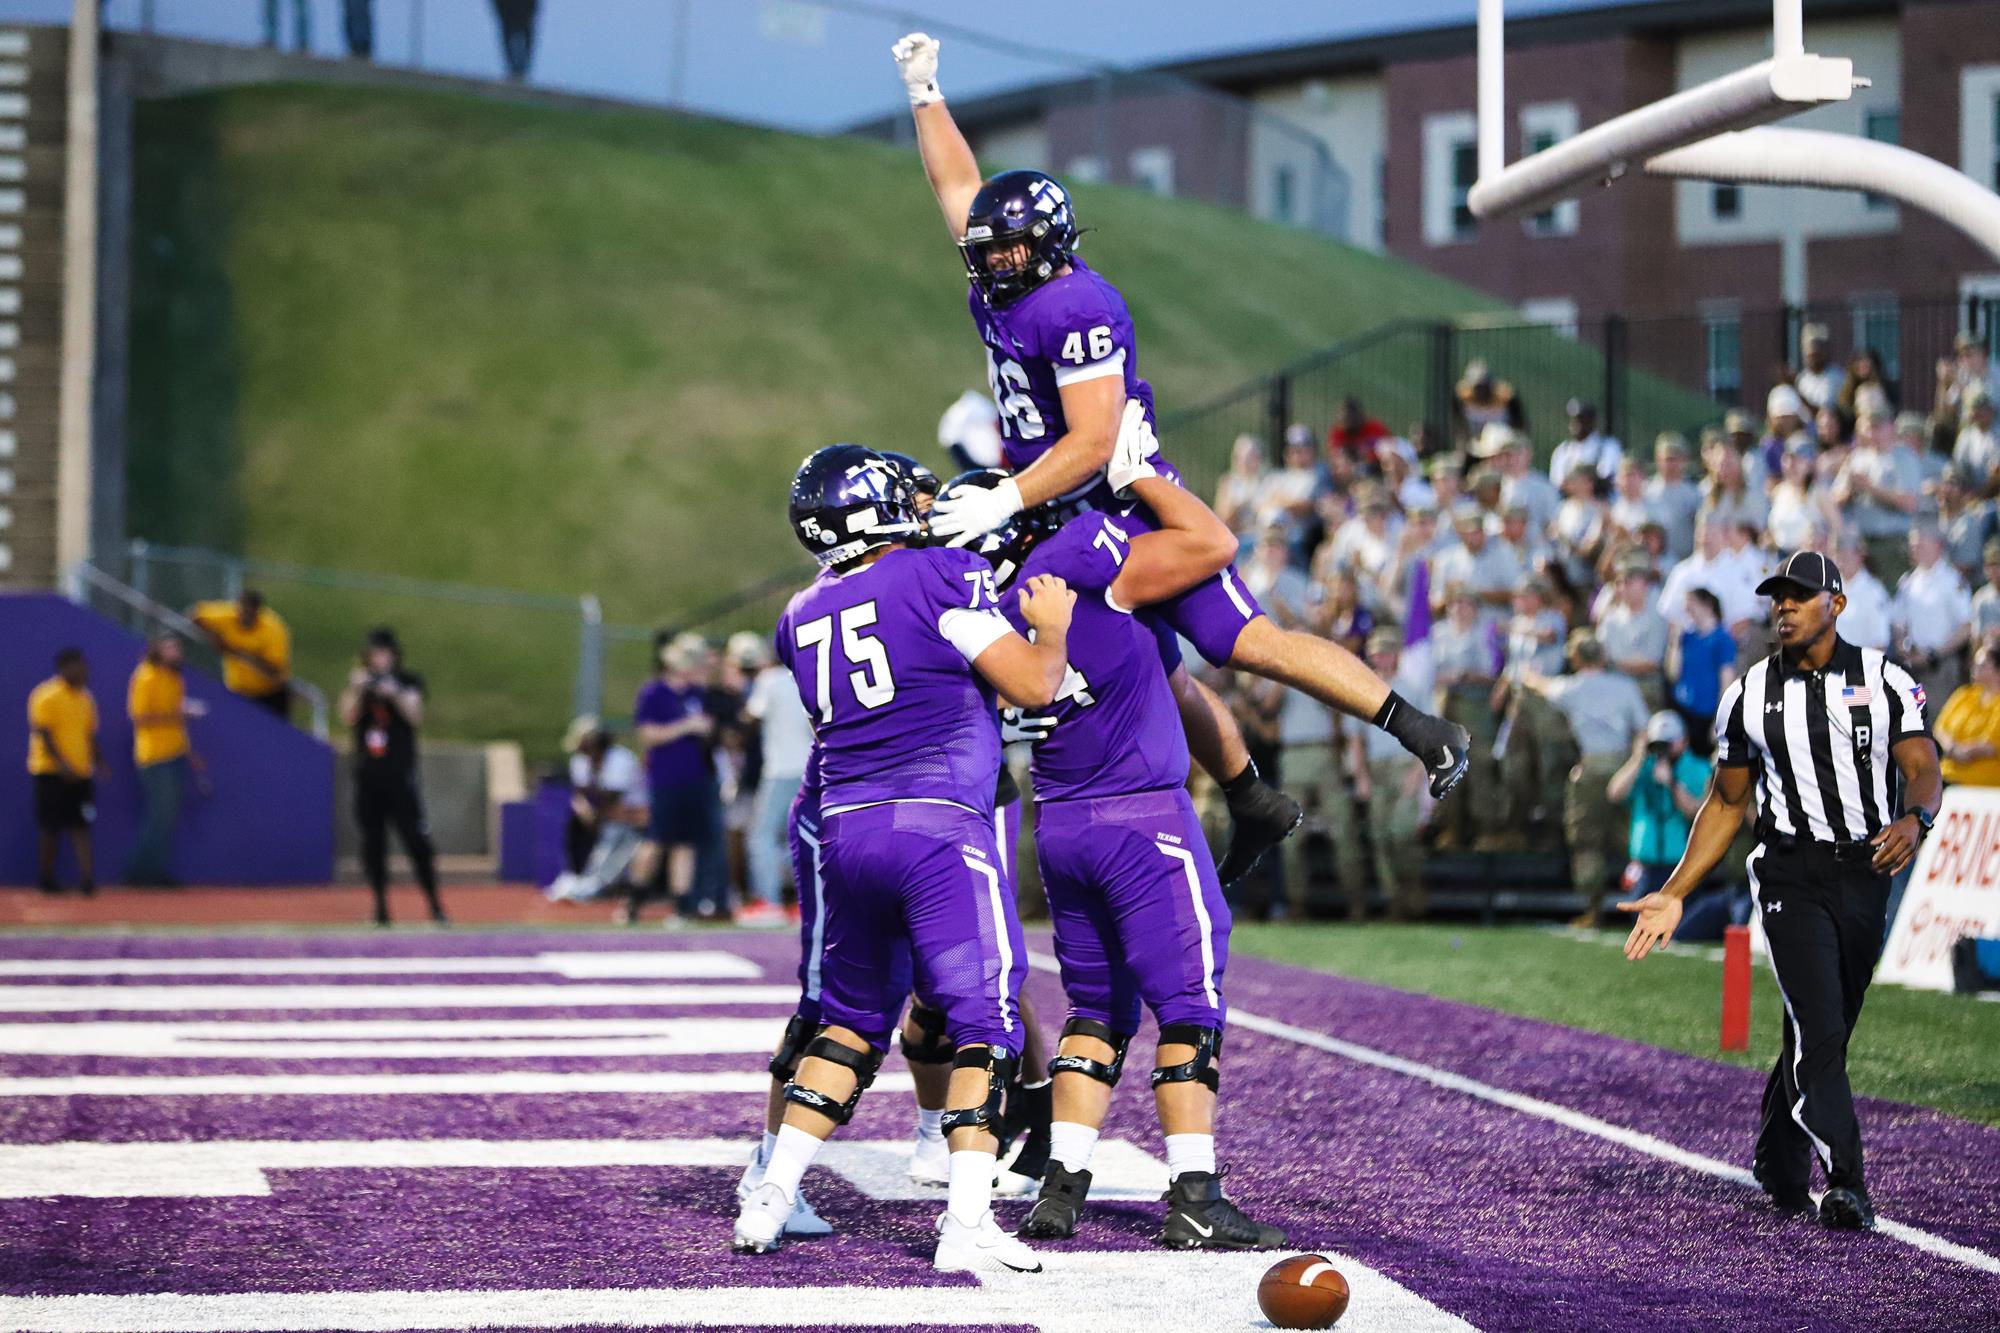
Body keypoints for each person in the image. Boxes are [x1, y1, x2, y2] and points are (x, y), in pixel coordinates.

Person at [890, 30, 1471, 836]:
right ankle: (1248, 797)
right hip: (1047, 502)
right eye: (990, 250)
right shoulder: (1002, 271)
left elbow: (1092, 443)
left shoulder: (1075, 306)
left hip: (1120, 493)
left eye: (1010, 248)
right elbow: (959, 186)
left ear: (1049, 244)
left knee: (1244, 641)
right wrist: (927, 95)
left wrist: (1005, 499)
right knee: (1150, 668)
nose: (993, 263)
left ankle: (1420, 728)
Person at [732, 444, 1072, 1272]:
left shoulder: (798, 613)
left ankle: (769, 1197)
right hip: (936, 827)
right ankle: (964, 1220)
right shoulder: (938, 575)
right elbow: (1032, 683)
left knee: (848, 1020)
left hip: (845, 830)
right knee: (984, 1021)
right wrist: (1052, 628)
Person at [947, 413, 1283, 1248]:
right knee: (1190, 1007)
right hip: (1142, 816)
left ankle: (1061, 1184)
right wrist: (1139, 476)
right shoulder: (1075, 558)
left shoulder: (975, 605)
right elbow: (1212, 544)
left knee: (1094, 1010)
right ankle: (1195, 1195)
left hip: (1060, 822)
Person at [1621, 550, 1942, 1232]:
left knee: (1822, 1024)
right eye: (1778, 597)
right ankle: (1849, 1181)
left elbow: (1921, 765)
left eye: (1800, 595)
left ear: (1838, 603)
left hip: (1865, 871)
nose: (1785, 607)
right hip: (1788, 873)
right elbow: (1726, 801)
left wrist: (1918, 817)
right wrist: (1676, 889)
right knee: (1820, 1021)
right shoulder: (1750, 691)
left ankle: (1778, 1150)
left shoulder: (1885, 679)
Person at [1521, 632, 1650, 923]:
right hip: (1624, 766)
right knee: (1632, 838)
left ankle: (1592, 910)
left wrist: (1530, 674)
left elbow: (1541, 687)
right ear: (1603, 657)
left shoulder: (1570, 688)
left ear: (1576, 658)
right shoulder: (1625, 686)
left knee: (1586, 841)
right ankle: (1645, 901)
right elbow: (1643, 730)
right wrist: (1635, 763)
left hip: (1590, 768)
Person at [339, 628, 444, 927]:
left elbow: (415, 716)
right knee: (373, 844)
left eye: (384, 652)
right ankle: (380, 907)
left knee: (416, 840)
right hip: (369, 776)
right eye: (374, 653)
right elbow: (346, 715)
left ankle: (435, 904)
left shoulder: (408, 681)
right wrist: (359, 689)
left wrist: (393, 692)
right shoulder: (360, 683)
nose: (379, 658)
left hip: (400, 776)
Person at [626, 633, 724, 926]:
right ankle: (634, 897)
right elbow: (647, 735)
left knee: (686, 844)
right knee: (656, 841)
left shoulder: (697, 694)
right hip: (666, 779)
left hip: (696, 778)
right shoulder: (654, 693)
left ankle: (681, 906)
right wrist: (686, 727)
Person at [742, 636, 814, 923]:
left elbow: (752, 715)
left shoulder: (769, 680)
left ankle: (770, 901)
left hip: (780, 768)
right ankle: (807, 902)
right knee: (805, 836)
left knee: (761, 836)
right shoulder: (806, 676)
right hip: (810, 766)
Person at [125, 634, 204, 888]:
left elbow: (178, 720)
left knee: (167, 817)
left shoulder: (175, 678)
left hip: (175, 753)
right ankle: (139, 872)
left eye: (178, 649)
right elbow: (139, 717)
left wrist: (190, 753)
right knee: (158, 816)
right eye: (170, 648)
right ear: (157, 650)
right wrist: (176, 716)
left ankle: (154, 870)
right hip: (154, 756)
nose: (176, 653)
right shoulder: (146, 676)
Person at [546, 717, 647, 903]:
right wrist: (586, 812)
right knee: (576, 823)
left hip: (631, 815)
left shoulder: (620, 760)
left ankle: (595, 883)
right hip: (604, 814)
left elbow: (613, 800)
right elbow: (580, 795)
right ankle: (576, 874)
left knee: (614, 832)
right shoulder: (581, 761)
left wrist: (597, 815)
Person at [27, 647, 99, 897]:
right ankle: (46, 878)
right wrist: (62, 765)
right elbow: (44, 733)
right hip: (49, 773)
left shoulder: (85, 698)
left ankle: (87, 880)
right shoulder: (46, 695)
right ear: (65, 667)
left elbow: (89, 734)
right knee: (51, 827)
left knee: (81, 826)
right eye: (79, 665)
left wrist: (98, 761)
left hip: (80, 774)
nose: (84, 670)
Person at [1891, 526, 1973, 708]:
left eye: (1920, 544)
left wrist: (1935, 653)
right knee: (1915, 718)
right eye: (1913, 545)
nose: (1914, 549)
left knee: (1938, 719)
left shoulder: (1952, 580)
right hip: (1913, 665)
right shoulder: (1908, 581)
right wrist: (1904, 647)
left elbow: (1966, 626)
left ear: (1937, 545)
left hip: (1942, 665)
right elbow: (1898, 623)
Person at [188, 590, 292, 719]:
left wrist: (237, 651)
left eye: (250, 614)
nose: (245, 618)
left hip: (270, 693)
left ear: (258, 612)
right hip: (238, 690)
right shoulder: (226, 615)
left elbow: (274, 670)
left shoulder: (273, 629)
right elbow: (195, 615)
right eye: (242, 612)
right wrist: (213, 636)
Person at [1669, 588, 1737, 757]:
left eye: (1691, 605)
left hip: (1706, 713)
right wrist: (1674, 644)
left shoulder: (1722, 638)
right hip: (1684, 709)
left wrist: (1719, 718)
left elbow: (1726, 680)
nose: (1687, 611)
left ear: (1707, 606)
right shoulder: (1686, 637)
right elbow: (1672, 674)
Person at [1935, 647, 2000, 787]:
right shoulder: (1964, 694)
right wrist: (1953, 749)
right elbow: (1940, 728)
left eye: (1982, 665)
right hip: (1945, 777)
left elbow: (1990, 745)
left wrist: (1963, 752)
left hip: (1982, 788)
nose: (1974, 667)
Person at [1549, 398, 1622, 492]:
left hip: (1601, 504)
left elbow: (1607, 479)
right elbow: (1557, 484)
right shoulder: (1562, 451)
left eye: (1581, 419)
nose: (1576, 424)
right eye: (1573, 419)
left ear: (1592, 421)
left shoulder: (1608, 447)